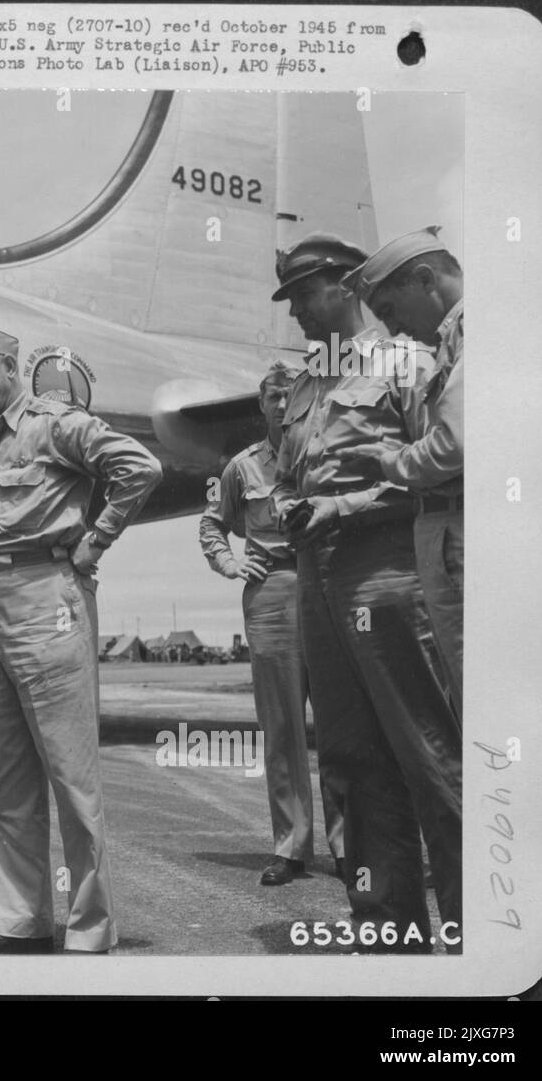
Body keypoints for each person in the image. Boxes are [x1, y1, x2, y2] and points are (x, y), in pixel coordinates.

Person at [268, 233, 461, 951]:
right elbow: (296, 474)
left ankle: (479, 942)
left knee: (430, 752)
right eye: (287, 300)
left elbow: (438, 471)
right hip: (318, 578)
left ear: (345, 286)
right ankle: (389, 936)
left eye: (304, 295)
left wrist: (347, 507)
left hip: (386, 574)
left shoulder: (407, 362)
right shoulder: (305, 383)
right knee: (350, 760)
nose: (294, 314)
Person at [0, 326, 162, 954]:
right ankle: (18, 921)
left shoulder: (53, 423)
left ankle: (90, 926)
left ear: (12, 368)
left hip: (49, 599)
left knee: (70, 773)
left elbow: (140, 466)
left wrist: (95, 541)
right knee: (5, 774)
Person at [199, 361, 346, 886]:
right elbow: (212, 526)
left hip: (327, 585)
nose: (284, 407)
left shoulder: (328, 451)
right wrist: (230, 563)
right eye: (274, 397)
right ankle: (291, 847)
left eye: (292, 396)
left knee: (340, 724)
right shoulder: (240, 468)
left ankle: (349, 846)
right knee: (281, 727)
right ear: (260, 406)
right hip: (273, 594)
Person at [339, 228, 464, 720]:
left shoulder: (473, 330)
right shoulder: (454, 337)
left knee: (476, 693)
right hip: (448, 529)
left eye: (390, 311)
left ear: (424, 277)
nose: (393, 331)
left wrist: (385, 461)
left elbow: (453, 443)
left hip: (459, 531)